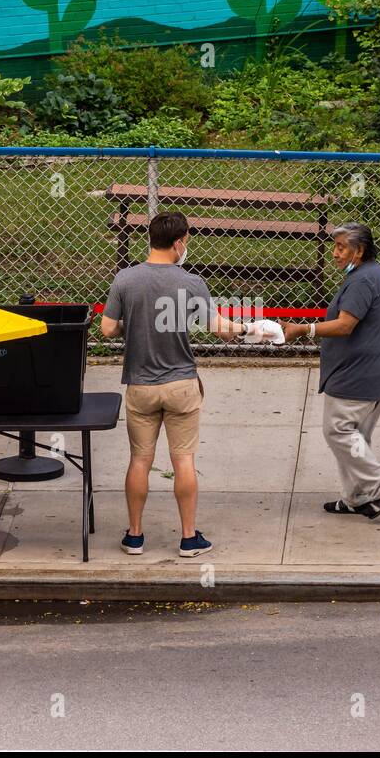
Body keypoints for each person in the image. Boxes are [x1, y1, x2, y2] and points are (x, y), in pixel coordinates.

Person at [100, 211, 266, 557]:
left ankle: (135, 535)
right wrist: (251, 329)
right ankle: (189, 538)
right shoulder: (191, 283)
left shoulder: (125, 280)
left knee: (140, 460)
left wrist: (129, 325)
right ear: (179, 242)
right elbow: (219, 328)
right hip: (181, 384)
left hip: (140, 386)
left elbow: (107, 329)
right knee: (183, 461)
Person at [283, 224, 380, 519]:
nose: (335, 253)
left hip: (356, 373)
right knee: (356, 436)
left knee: (338, 431)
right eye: (335, 246)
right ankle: (357, 496)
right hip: (371, 370)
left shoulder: (363, 280)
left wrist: (304, 329)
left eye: (341, 247)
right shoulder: (371, 273)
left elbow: (344, 325)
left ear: (359, 250)